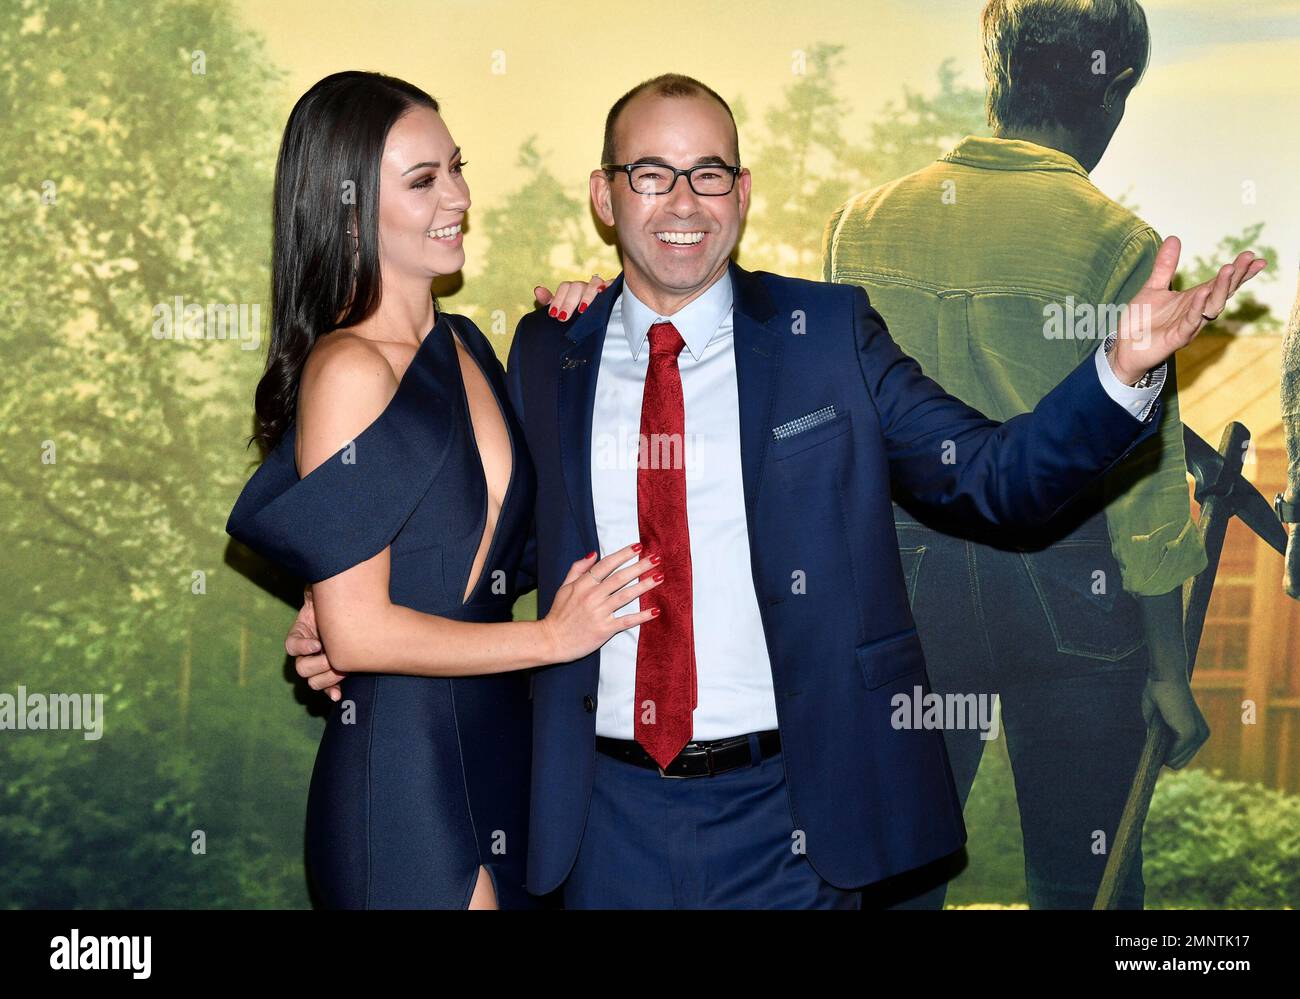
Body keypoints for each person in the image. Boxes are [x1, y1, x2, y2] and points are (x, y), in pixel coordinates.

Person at [289, 73, 1264, 909]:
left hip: (794, 826)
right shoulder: (548, 350)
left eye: (708, 173)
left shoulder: (831, 336)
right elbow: (493, 538)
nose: (683, 202)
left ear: (743, 193)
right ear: (605, 196)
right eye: (651, 175)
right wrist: (347, 619)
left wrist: (1119, 371)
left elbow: (997, 483)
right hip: (593, 824)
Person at [225, 71, 661, 910]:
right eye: (423, 181)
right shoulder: (350, 369)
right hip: (405, 771)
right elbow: (356, 635)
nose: (457, 195)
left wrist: (597, 321)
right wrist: (551, 639)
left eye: (456, 167)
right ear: (348, 208)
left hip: (504, 749)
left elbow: (498, 552)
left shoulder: (462, 342)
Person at [823, 0, 1209, 909]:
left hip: (907, 587)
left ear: (997, 77)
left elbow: (832, 440)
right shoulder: (1119, 246)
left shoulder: (861, 225)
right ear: (1111, 91)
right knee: (1087, 888)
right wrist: (1167, 670)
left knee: (894, 877)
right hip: (1071, 593)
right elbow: (1146, 490)